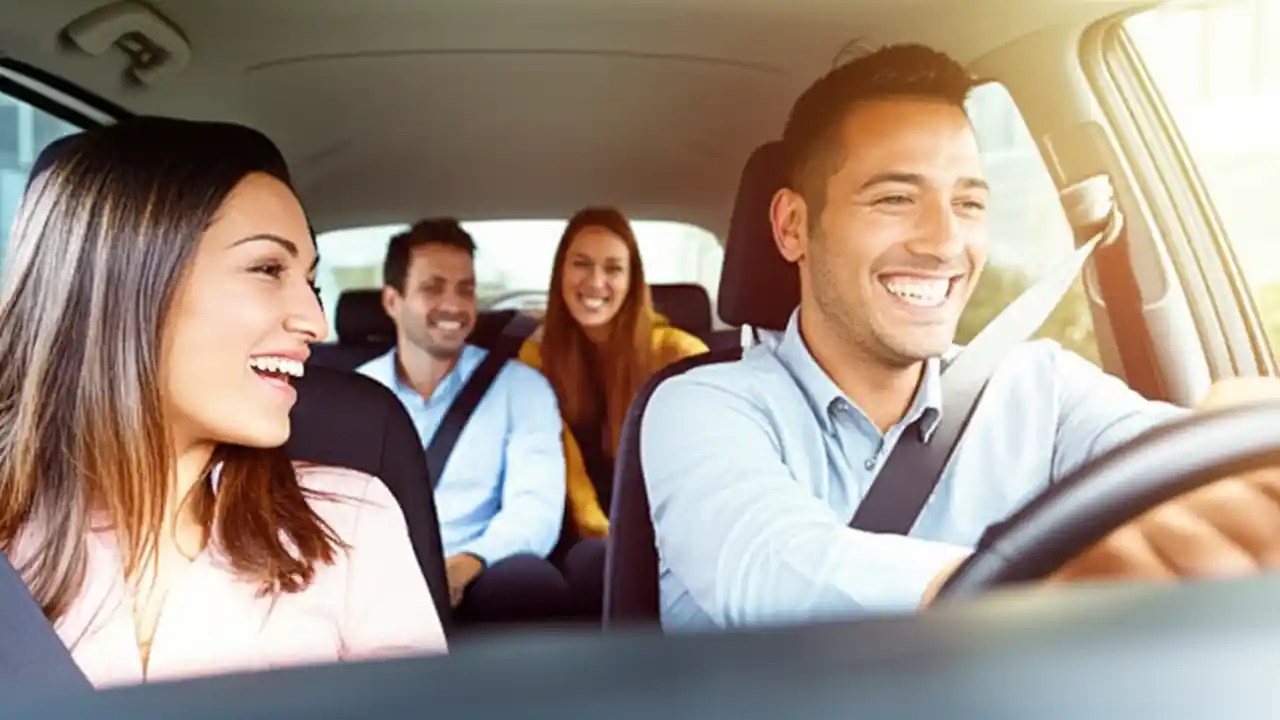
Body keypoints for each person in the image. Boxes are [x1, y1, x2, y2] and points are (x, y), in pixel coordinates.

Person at [640, 43, 1280, 631]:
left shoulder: (1043, 392)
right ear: (791, 227)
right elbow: (771, 569)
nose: (945, 243)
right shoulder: (700, 406)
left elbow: (1164, 466)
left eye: (969, 204)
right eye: (894, 198)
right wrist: (1054, 589)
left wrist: (1238, 474)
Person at [0, 117, 446, 688]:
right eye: (267, 269)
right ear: (129, 282)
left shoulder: (352, 523)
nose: (314, 320)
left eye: (309, 281)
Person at [357, 219, 571, 625]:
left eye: (465, 290)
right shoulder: (354, 395)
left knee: (530, 584)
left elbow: (535, 507)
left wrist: (467, 563)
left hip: (477, 576)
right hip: (368, 578)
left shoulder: (520, 388)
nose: (454, 306)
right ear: (392, 302)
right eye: (432, 288)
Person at [518, 207, 707, 616]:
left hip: (663, 524)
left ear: (632, 280)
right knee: (592, 564)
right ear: (560, 274)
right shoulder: (537, 358)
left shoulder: (677, 353)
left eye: (613, 268)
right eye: (581, 264)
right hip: (579, 529)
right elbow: (568, 472)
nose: (596, 282)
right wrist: (607, 537)